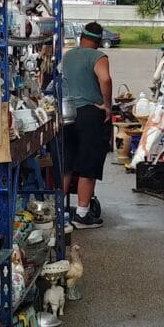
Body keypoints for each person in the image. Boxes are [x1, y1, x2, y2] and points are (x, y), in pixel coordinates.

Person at [61, 22, 113, 228]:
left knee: (66, 163)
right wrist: (107, 105)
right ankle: (82, 214)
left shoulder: (68, 56)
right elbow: (105, 79)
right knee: (88, 164)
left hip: (67, 114)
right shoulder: (98, 57)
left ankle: (58, 212)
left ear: (81, 37)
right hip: (90, 113)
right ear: (98, 41)